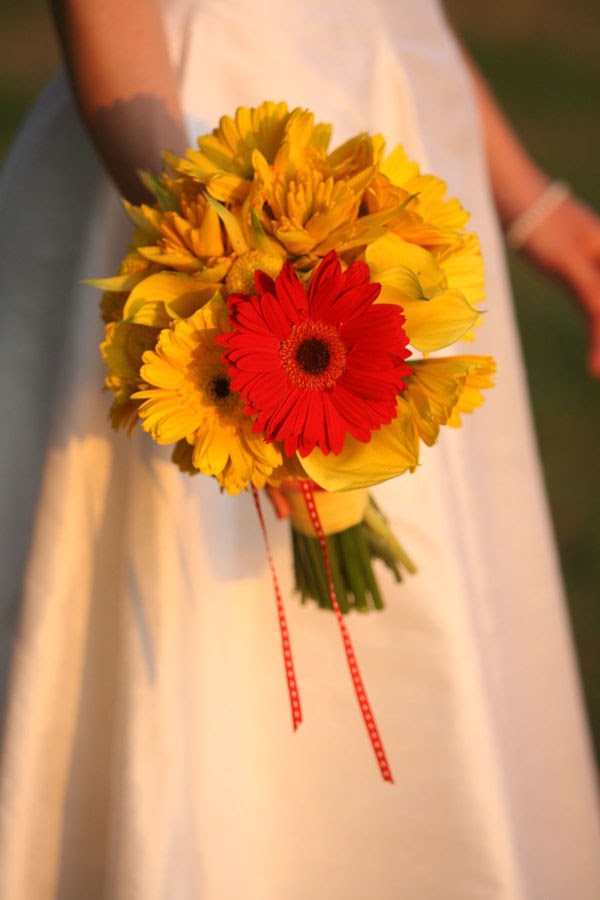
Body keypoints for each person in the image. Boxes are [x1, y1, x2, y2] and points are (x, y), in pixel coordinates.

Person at [0, 0, 599, 897]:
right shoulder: (207, 219)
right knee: (183, 624)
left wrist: (530, 198)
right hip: (185, 143)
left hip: (396, 135)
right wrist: (225, 284)